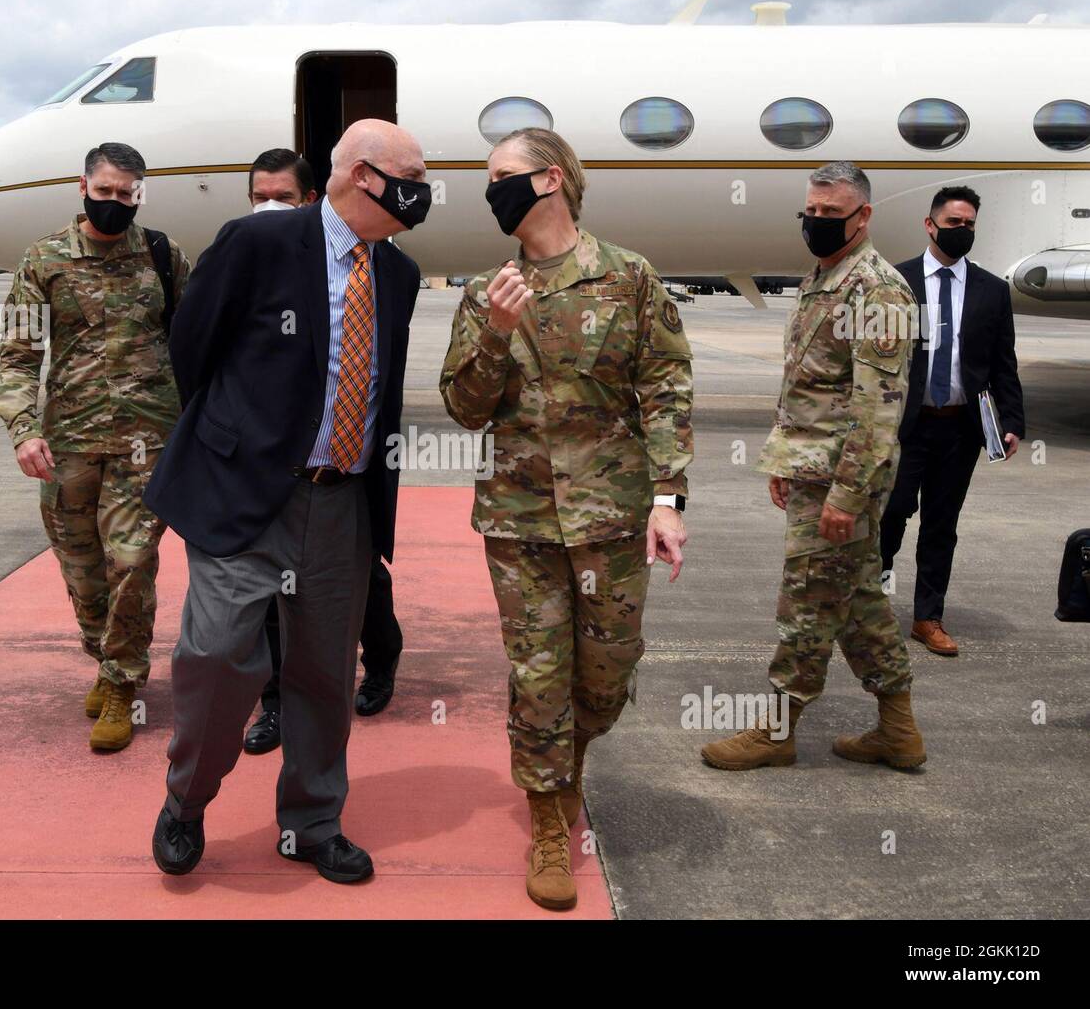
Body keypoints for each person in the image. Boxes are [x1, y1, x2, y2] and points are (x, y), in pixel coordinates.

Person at [146, 119, 428, 885]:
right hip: (246, 494)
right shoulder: (258, 243)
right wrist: (239, 437)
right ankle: (186, 799)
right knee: (217, 655)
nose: (423, 190)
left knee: (324, 673)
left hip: (341, 503)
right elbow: (192, 350)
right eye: (414, 175)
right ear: (363, 176)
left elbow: (379, 392)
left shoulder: (397, 276)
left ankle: (311, 822)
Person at [439, 128, 693, 911]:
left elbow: (666, 388)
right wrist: (496, 334)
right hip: (519, 524)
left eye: (503, 178)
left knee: (605, 676)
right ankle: (551, 816)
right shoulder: (488, 293)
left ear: (552, 180)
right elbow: (463, 410)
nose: (492, 193)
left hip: (611, 517)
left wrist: (667, 498)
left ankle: (569, 765)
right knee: (539, 675)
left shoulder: (630, 278)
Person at [700, 162, 928, 774]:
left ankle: (778, 730)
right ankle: (898, 731)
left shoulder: (877, 290)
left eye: (832, 214)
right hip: (811, 469)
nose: (817, 223)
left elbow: (877, 409)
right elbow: (806, 384)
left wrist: (845, 496)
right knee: (856, 600)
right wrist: (783, 457)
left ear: (865, 216)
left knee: (807, 598)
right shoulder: (823, 279)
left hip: (841, 479)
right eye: (813, 212)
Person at [0, 142, 190, 752]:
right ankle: (103, 656)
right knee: (81, 568)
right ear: (83, 187)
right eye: (104, 192)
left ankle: (123, 682)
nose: (115, 203)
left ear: (140, 192)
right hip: (69, 442)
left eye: (127, 194)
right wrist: (23, 430)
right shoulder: (44, 258)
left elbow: (194, 337)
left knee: (130, 562)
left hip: (146, 440)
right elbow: (19, 353)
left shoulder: (161, 254)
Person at [239, 149, 406, 757]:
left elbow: (385, 376)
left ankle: (382, 659)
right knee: (270, 603)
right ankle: (276, 703)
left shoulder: (394, 271)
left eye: (282, 197)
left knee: (362, 588)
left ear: (312, 200)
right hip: (274, 472)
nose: (269, 209)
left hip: (348, 473)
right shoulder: (250, 261)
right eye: (259, 197)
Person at [880, 186, 1025, 656]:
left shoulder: (991, 290)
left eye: (969, 224)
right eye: (953, 223)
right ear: (930, 224)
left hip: (961, 428)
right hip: (907, 425)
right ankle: (872, 606)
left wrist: (1012, 421)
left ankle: (928, 617)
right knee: (892, 513)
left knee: (942, 524)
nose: (962, 231)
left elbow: (1004, 362)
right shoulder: (895, 282)